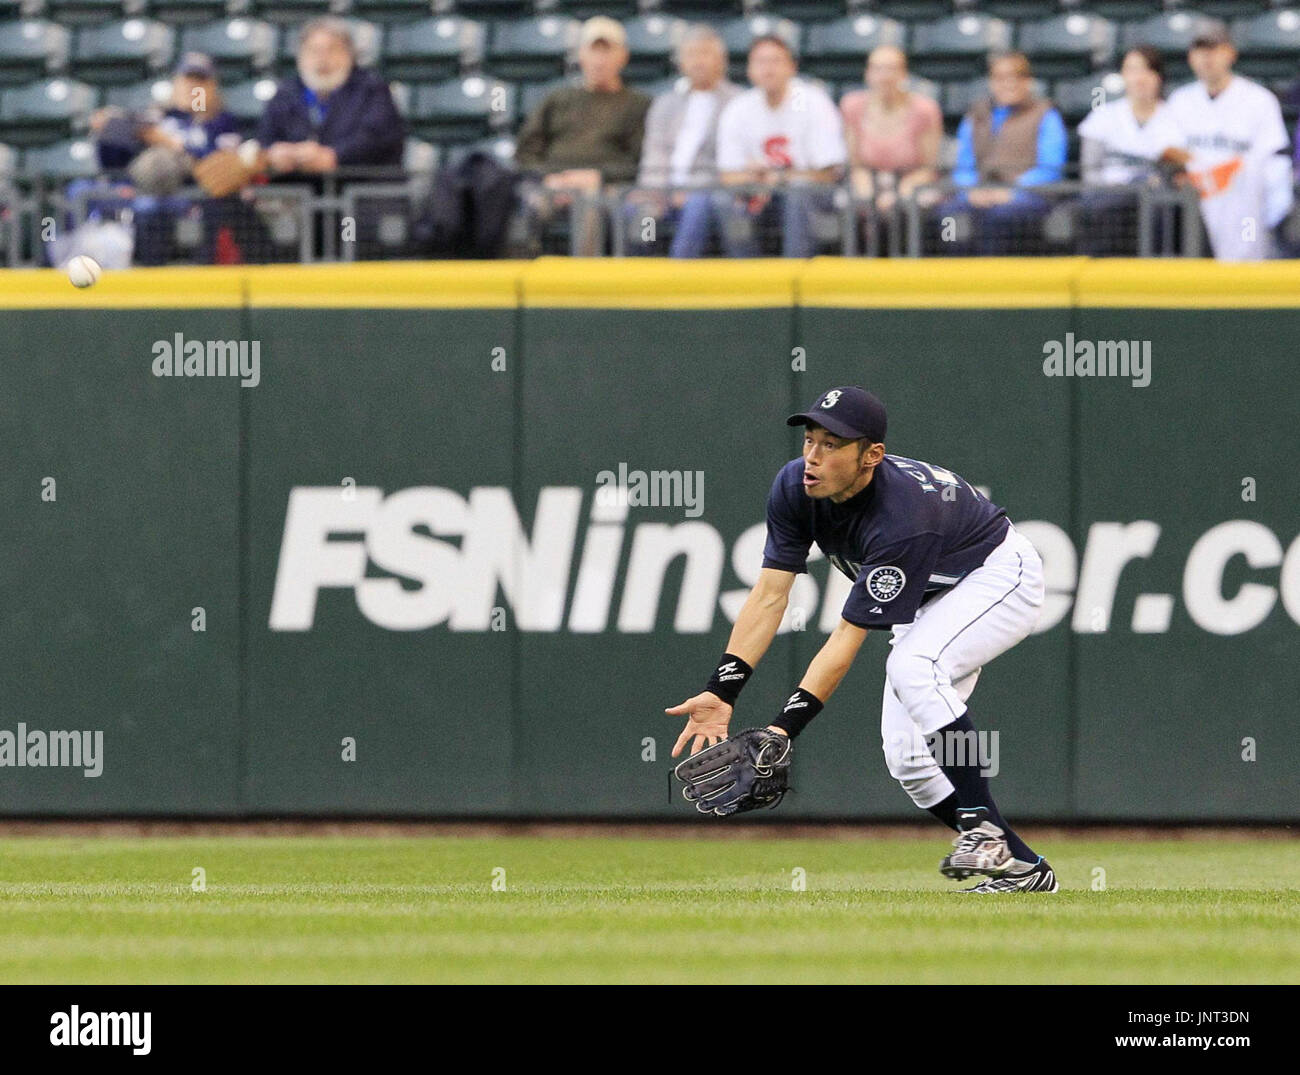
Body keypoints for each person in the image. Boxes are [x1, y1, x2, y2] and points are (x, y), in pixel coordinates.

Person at [666, 386, 1056, 893]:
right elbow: (768, 597)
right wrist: (723, 692)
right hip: (933, 596)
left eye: (832, 444)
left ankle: (983, 830)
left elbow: (847, 639)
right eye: (809, 439)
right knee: (909, 761)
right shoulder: (795, 487)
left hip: (998, 575)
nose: (812, 456)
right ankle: (1024, 869)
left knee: (915, 667)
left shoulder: (902, 519)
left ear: (871, 456)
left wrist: (785, 729)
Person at [87, 52, 242, 264]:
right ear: (176, 84)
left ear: (212, 87)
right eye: (187, 80)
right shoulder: (159, 116)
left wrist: (172, 145)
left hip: (190, 197)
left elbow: (222, 168)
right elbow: (112, 159)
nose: (192, 88)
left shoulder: (221, 123)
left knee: (151, 207)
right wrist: (108, 128)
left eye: (200, 82)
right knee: (80, 191)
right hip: (140, 189)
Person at [515, 16, 650, 255]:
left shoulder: (638, 104)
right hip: (553, 183)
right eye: (593, 51)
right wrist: (550, 179)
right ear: (581, 55)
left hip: (607, 187)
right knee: (524, 200)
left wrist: (597, 177)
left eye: (607, 51)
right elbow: (526, 152)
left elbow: (640, 161)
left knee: (588, 201)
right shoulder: (557, 99)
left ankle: (583, 280)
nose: (600, 60)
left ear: (623, 56)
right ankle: (518, 276)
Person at [1161, 22, 1292, 260]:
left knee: (1246, 274)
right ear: (1191, 56)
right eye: (1200, 49)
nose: (1207, 56)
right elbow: (1169, 152)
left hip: (1245, 208)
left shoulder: (1259, 100)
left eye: (1214, 48)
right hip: (1196, 206)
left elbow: (1274, 163)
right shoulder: (1180, 101)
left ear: (1230, 53)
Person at [713, 35, 846, 257]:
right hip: (758, 193)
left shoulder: (813, 102)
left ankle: (792, 277)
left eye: (775, 61)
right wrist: (755, 178)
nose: (768, 69)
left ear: (792, 67)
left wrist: (781, 178)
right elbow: (727, 175)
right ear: (749, 69)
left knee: (798, 194)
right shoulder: (738, 108)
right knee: (722, 200)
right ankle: (749, 279)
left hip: (808, 196)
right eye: (760, 62)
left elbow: (830, 173)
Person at [937, 52, 1067, 255]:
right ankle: (955, 277)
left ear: (1028, 82)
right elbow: (964, 167)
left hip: (1029, 195)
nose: (1008, 84)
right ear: (991, 83)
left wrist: (1010, 192)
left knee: (1001, 215)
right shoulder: (975, 115)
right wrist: (971, 191)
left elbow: (1050, 168)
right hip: (981, 192)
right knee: (949, 215)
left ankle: (994, 280)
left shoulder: (1046, 114)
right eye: (1000, 78)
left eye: (1015, 77)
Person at [629, 25, 741, 257]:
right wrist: (656, 193)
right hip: (662, 192)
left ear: (721, 60)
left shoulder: (738, 103)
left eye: (705, 53)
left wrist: (687, 191)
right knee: (641, 215)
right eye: (691, 54)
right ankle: (644, 268)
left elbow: (730, 162)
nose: (698, 61)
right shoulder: (665, 104)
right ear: (680, 62)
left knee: (697, 204)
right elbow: (655, 154)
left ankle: (679, 271)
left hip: (708, 192)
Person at [256, 17, 404, 175]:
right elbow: (265, 140)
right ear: (300, 56)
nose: (322, 59)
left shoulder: (372, 90)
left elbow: (378, 139)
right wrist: (275, 153)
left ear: (349, 54)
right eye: (313, 50)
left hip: (361, 187)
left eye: (332, 49)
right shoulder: (285, 93)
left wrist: (334, 156)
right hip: (296, 186)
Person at [1076, 46, 1183, 255]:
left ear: (1159, 76)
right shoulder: (1103, 115)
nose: (1140, 79)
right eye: (1132, 70)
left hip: (1157, 206)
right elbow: (1089, 172)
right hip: (1107, 202)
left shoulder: (1176, 117)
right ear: (1123, 76)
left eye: (1147, 70)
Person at [839, 45, 942, 213]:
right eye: (878, 69)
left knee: (913, 202)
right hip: (868, 180)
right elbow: (854, 165)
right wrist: (869, 192)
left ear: (904, 73)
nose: (885, 76)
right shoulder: (851, 106)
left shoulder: (925, 109)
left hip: (911, 182)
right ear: (867, 73)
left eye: (892, 69)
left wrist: (901, 191)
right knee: (849, 200)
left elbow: (929, 168)